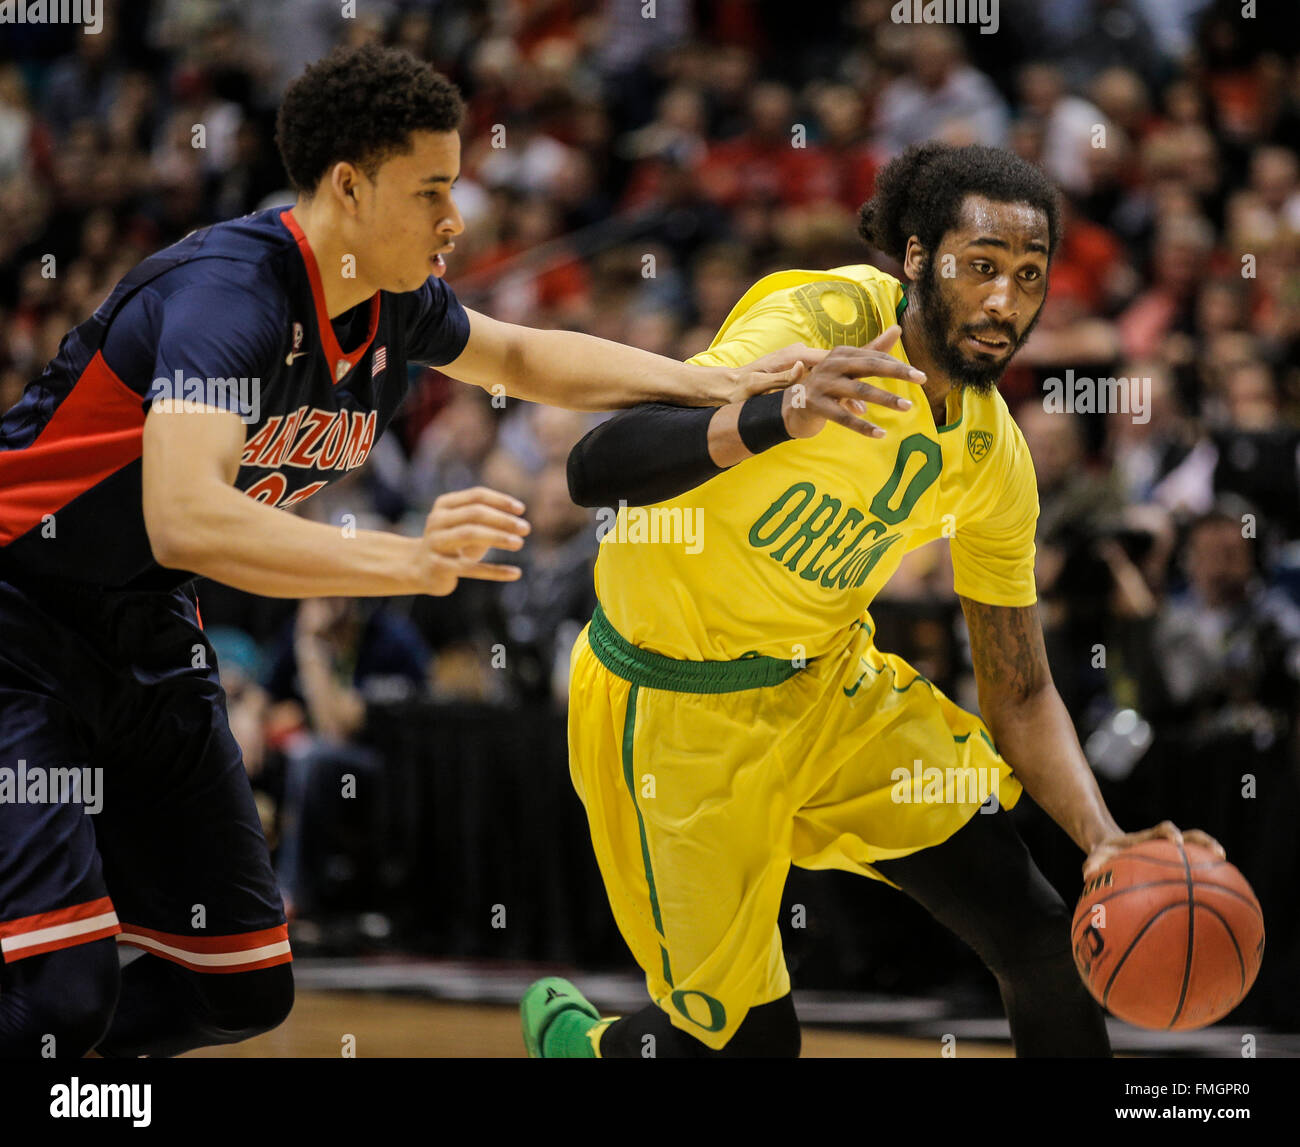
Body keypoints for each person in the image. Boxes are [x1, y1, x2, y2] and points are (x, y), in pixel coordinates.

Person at [0, 44, 877, 1059]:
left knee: (238, 987)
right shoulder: (227, 299)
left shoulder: (388, 304)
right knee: (61, 994)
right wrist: (408, 559)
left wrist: (719, 384)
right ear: (348, 187)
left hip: (143, 627)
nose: (455, 218)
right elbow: (186, 520)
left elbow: (520, 354)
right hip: (22, 615)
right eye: (431, 191)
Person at [521, 142, 1224, 1059]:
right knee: (750, 1046)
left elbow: (1019, 690)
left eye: (1028, 274)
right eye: (981, 267)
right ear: (920, 257)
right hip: (675, 714)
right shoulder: (817, 316)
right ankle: (586, 1046)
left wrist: (1105, 839)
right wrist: (779, 412)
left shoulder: (994, 457)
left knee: (1041, 932)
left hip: (829, 693)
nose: (1005, 302)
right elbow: (598, 465)